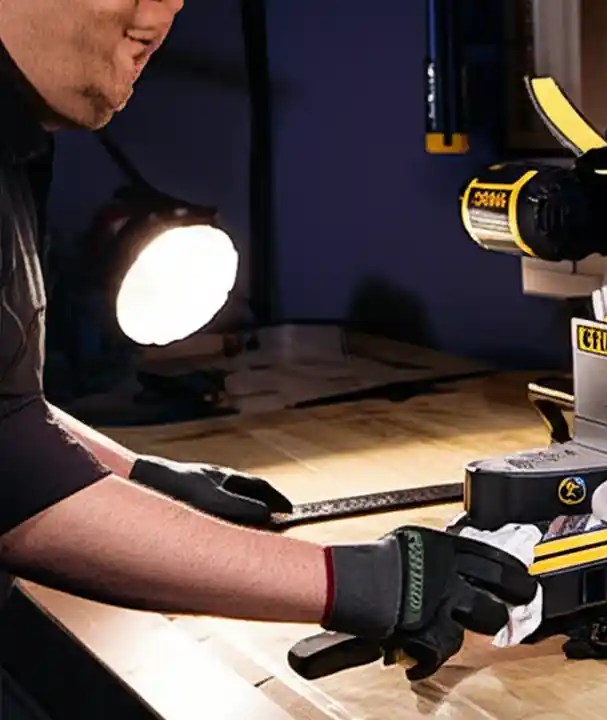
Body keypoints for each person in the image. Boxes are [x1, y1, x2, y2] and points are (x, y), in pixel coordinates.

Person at [0, 0, 536, 684]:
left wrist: (143, 478)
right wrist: (357, 582)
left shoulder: (17, 134)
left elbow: (10, 409)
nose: (159, 19)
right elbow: (15, 493)